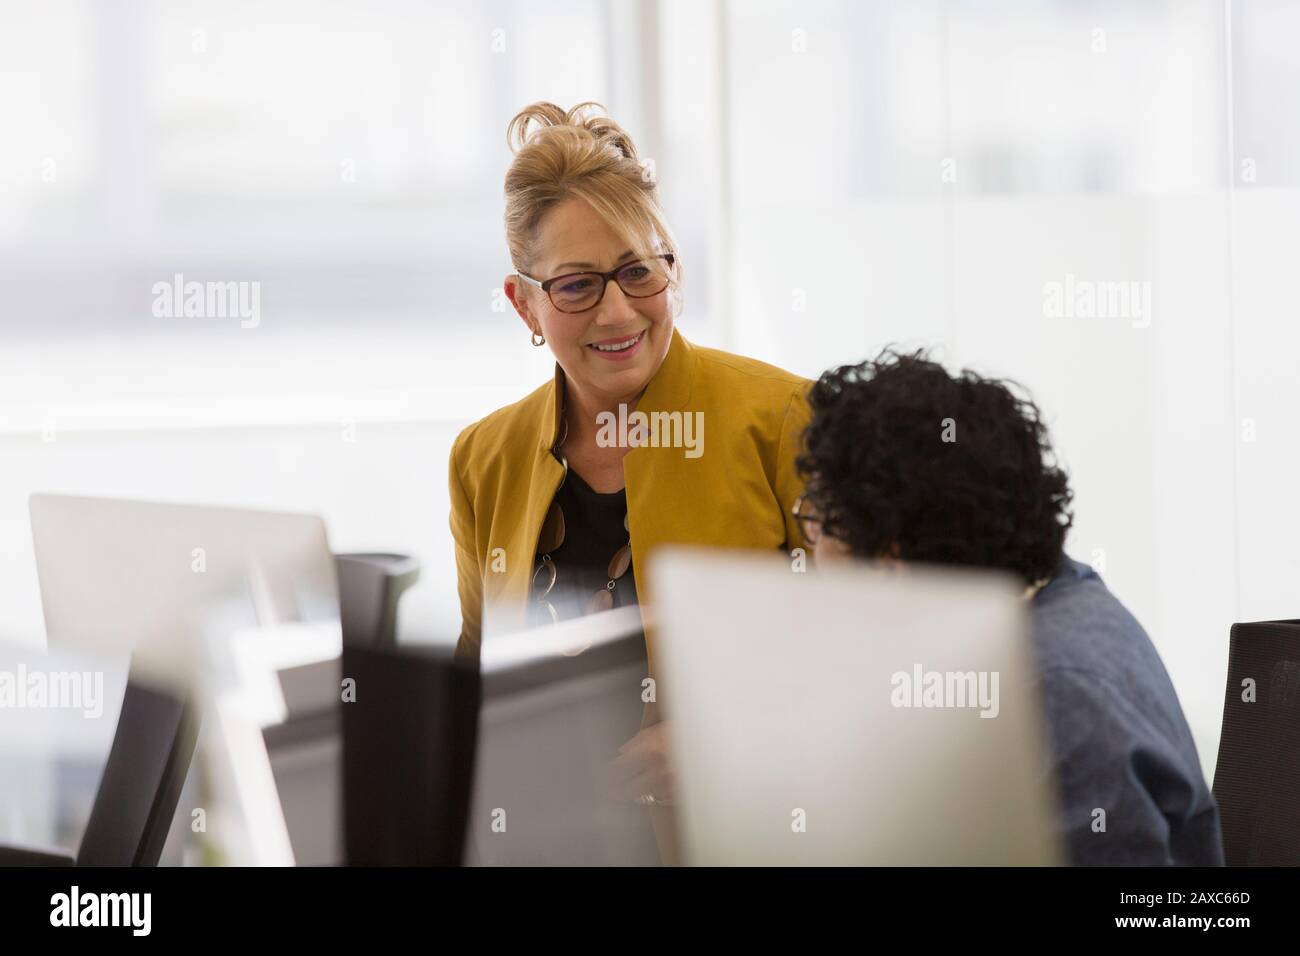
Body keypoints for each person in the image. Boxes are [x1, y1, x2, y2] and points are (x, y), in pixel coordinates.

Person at [448, 102, 811, 813]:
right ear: (525, 307)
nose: (618, 314)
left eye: (639, 272)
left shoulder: (785, 420)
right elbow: (474, 677)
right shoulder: (483, 458)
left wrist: (729, 738)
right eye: (578, 285)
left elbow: (879, 662)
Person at [792, 348, 1224, 865]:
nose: (812, 547)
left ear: (891, 553)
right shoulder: (1044, 595)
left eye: (818, 518)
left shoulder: (1057, 691)